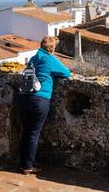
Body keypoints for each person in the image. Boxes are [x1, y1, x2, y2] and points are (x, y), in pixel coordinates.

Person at [16, 36, 72, 175]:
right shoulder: (50, 59)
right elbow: (66, 73)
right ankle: (28, 166)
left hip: (24, 98)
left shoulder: (33, 59)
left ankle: (23, 163)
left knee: (26, 132)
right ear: (52, 48)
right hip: (40, 99)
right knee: (33, 133)